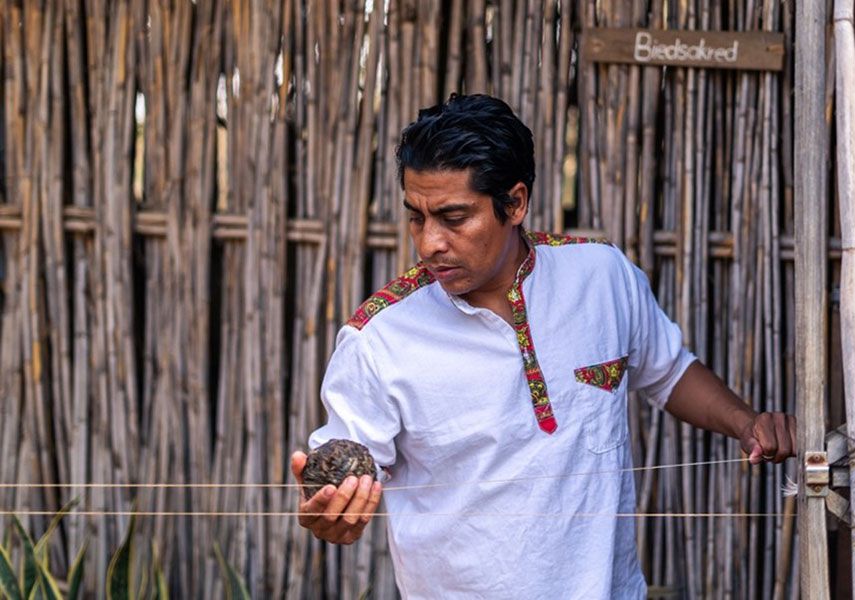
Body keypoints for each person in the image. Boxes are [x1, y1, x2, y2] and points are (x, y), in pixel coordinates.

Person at [290, 93, 795, 599]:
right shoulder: (378, 338)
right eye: (417, 217)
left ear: (515, 202)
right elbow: (346, 469)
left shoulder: (600, 277)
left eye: (453, 217)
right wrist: (334, 513)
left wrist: (745, 423)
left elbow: (667, 371)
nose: (428, 244)